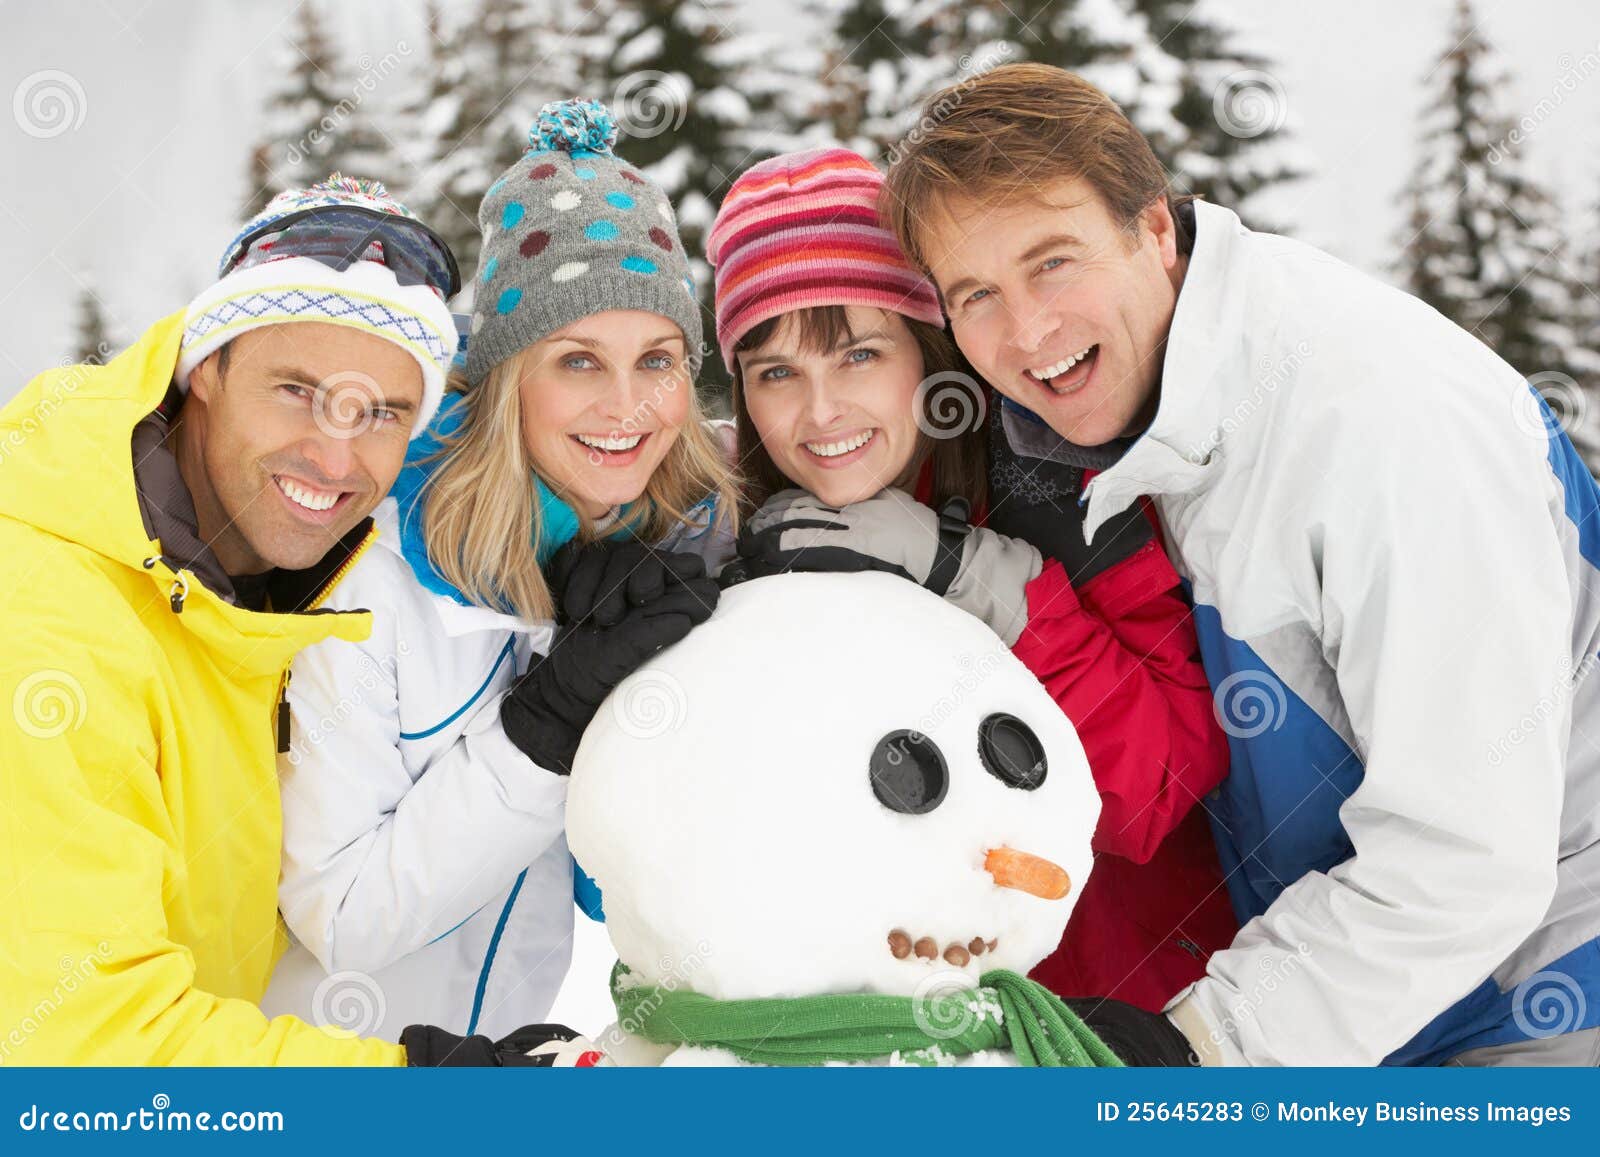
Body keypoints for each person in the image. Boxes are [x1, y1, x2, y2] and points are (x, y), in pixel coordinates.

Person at [863, 61, 1600, 1066]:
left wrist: (1209, 1040)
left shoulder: (1376, 428)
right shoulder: (1135, 408)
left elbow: (1467, 856)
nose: (1026, 331)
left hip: (1541, 1001)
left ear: (1155, 230)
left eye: (1053, 261)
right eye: (975, 293)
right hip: (1370, 1006)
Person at [0, 176, 563, 1064]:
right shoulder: (44, 622)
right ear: (207, 370)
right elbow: (74, 1047)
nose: (335, 453)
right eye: (296, 390)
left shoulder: (255, 591)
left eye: (381, 412)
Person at [709, 146, 1235, 1022]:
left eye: (859, 357)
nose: (821, 412)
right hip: (885, 1022)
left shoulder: (1052, 479)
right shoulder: (737, 532)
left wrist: (978, 576)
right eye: (776, 373)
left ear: (925, 352)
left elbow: (1163, 785)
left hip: (1119, 1012)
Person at [264, 100, 736, 1056]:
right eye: (577, 361)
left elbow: (628, 881)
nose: (625, 405)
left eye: (657, 359)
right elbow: (340, 917)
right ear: (507, 379)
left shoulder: (660, 552)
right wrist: (548, 727)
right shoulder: (374, 580)